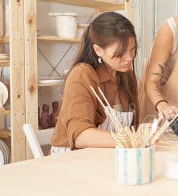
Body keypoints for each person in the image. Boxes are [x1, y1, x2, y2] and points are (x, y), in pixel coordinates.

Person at [51, 12, 139, 152]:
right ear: (98, 50)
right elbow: (81, 136)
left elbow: (132, 128)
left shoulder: (126, 76)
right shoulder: (82, 75)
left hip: (108, 157)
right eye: (119, 54)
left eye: (133, 50)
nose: (129, 58)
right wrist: (132, 139)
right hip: (73, 161)